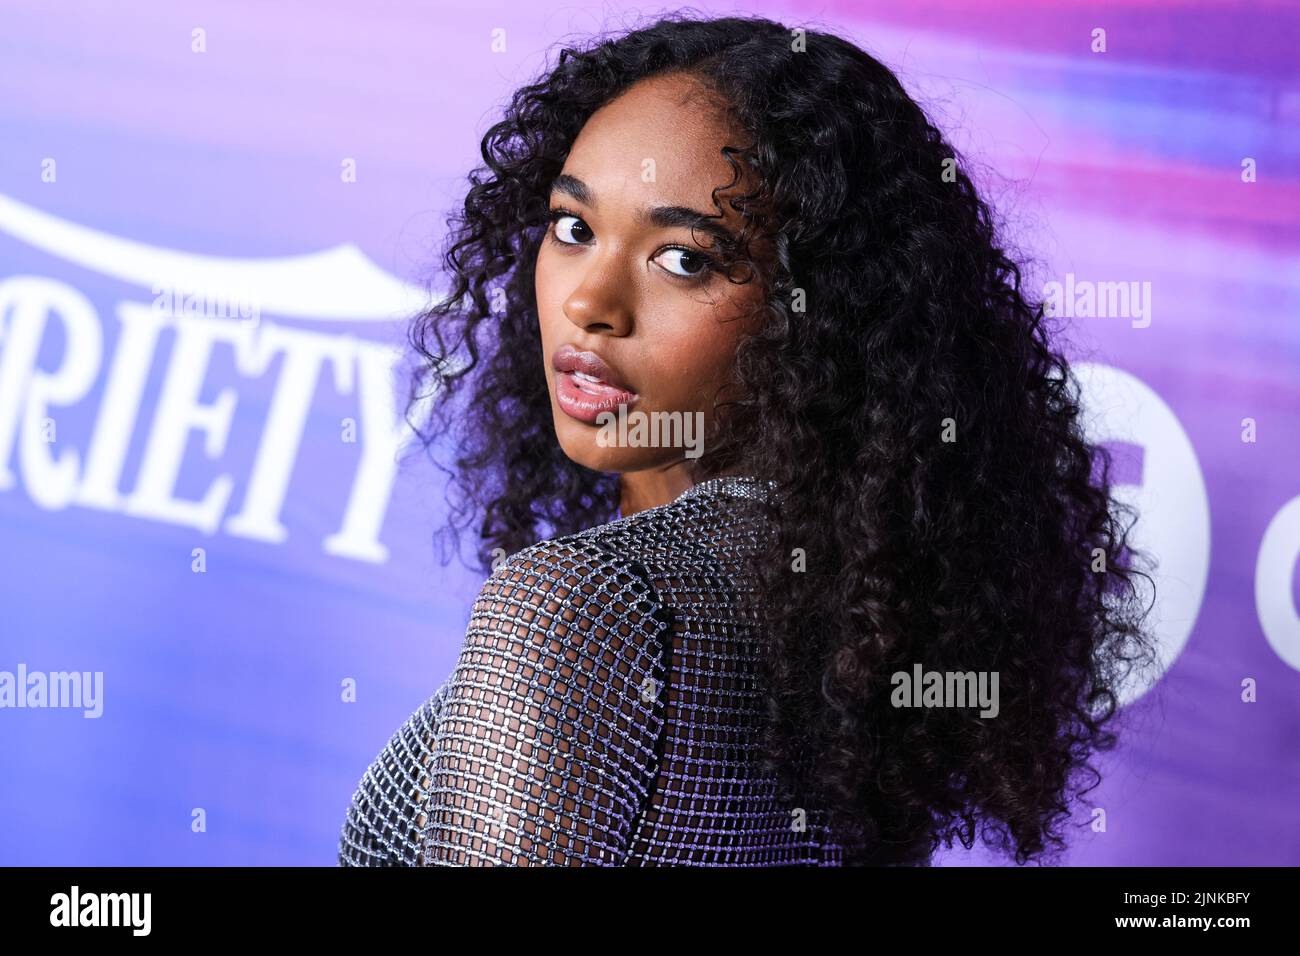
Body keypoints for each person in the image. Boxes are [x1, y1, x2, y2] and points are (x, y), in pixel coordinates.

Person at [337, 13, 1157, 867]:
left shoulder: (585, 609)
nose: (591, 302)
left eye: (686, 258)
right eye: (573, 228)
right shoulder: (852, 611)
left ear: (823, 315)